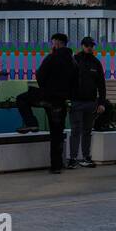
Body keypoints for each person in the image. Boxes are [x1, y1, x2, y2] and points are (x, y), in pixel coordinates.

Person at [33, 33, 77, 173]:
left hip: (50, 98)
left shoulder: (52, 58)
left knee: (54, 133)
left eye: (53, 43)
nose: (52, 46)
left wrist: (46, 90)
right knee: (58, 132)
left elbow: (40, 75)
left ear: (57, 43)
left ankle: (55, 165)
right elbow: (76, 81)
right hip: (62, 101)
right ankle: (57, 165)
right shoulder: (72, 61)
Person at [68, 37, 105, 168]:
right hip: (76, 101)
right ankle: (72, 158)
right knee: (75, 130)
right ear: (82, 46)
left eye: (91, 45)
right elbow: (68, 81)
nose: (89, 47)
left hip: (91, 102)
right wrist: (68, 99)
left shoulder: (96, 62)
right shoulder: (75, 60)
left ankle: (86, 157)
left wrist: (102, 102)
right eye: (87, 45)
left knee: (87, 131)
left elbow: (101, 85)